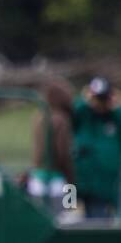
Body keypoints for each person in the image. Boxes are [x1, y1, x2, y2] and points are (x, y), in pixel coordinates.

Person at [71, 77, 121, 218]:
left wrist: (115, 106)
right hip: (75, 185)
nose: (99, 103)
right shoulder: (83, 114)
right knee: (67, 217)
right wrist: (85, 100)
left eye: (102, 99)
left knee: (98, 220)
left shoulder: (114, 118)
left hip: (103, 187)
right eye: (97, 99)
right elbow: (72, 113)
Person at [29, 79, 76, 207]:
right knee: (61, 221)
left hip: (36, 180)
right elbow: (63, 154)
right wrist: (71, 181)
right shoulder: (61, 120)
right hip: (56, 182)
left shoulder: (39, 117)